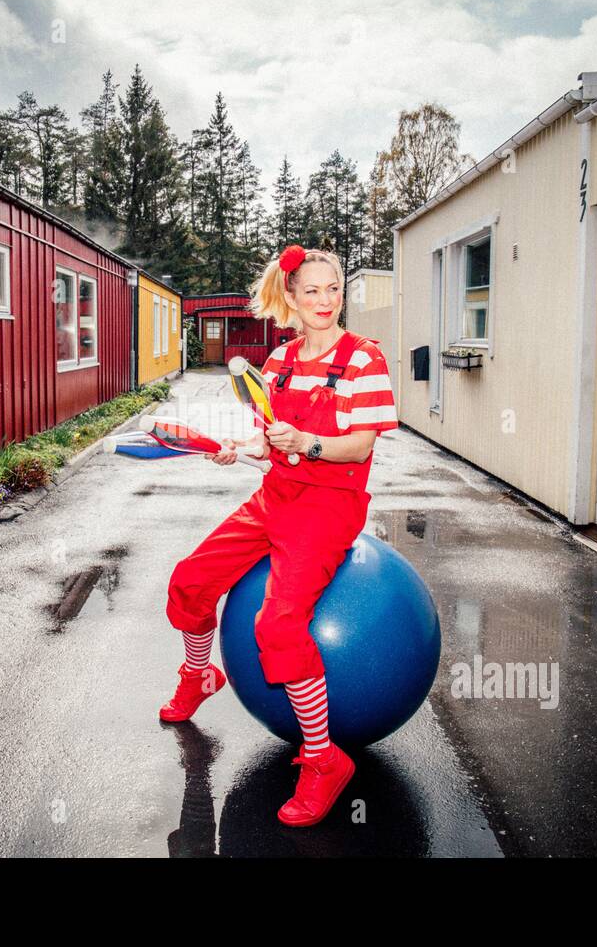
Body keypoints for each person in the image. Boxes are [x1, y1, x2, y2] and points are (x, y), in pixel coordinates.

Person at [159, 244, 398, 827]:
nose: (324, 301)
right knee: (190, 581)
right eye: (311, 291)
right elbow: (270, 439)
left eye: (333, 289)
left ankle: (324, 760)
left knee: (278, 625)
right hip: (275, 498)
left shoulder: (364, 360)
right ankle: (200, 674)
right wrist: (237, 449)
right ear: (290, 296)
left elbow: (360, 446)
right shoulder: (280, 363)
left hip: (329, 506)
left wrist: (306, 445)